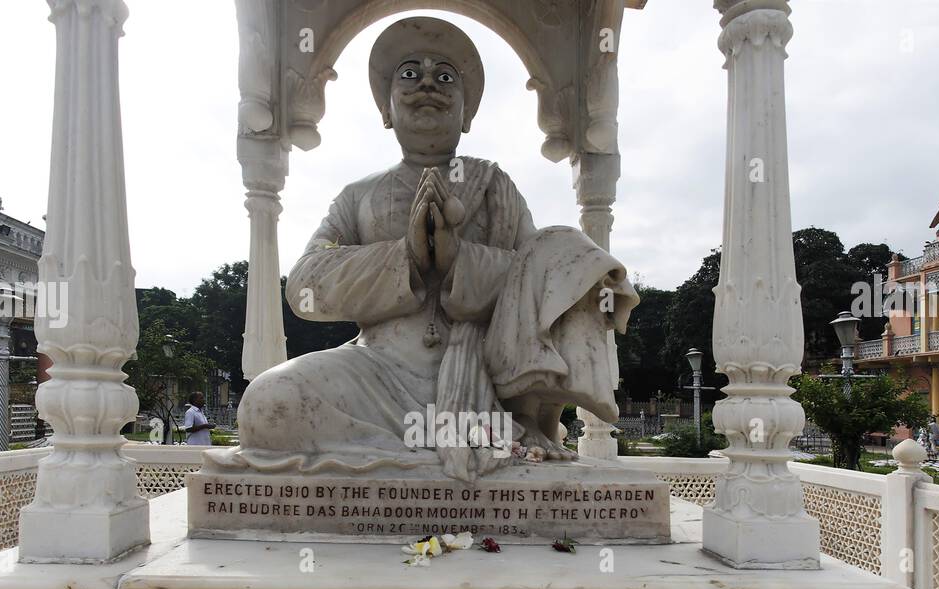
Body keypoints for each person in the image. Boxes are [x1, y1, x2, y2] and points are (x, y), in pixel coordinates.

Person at [222, 17, 637, 482]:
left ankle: (480, 433)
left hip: (483, 378)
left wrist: (461, 259)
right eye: (409, 74)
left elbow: (540, 285)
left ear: (466, 114)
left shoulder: (495, 187)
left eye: (444, 77)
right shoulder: (359, 196)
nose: (426, 84)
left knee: (566, 246)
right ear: (386, 108)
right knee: (266, 404)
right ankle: (450, 447)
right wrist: (406, 257)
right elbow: (305, 289)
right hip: (375, 372)